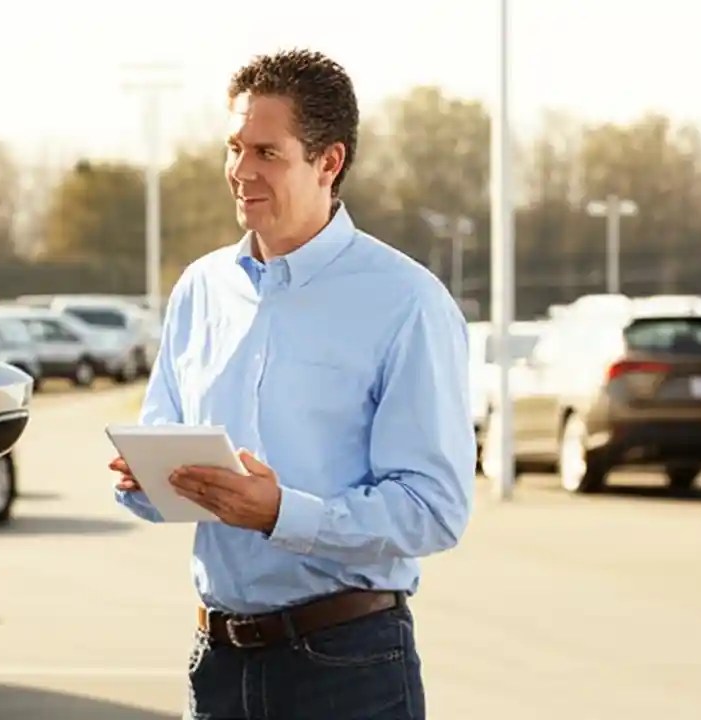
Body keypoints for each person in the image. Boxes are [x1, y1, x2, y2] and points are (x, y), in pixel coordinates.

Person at [111, 48, 474, 719]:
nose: (240, 172)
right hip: (216, 663)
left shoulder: (405, 303)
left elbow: (435, 508)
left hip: (348, 665)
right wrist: (148, 482)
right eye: (234, 148)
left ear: (328, 163)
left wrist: (282, 513)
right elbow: (161, 447)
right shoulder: (201, 290)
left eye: (266, 153)